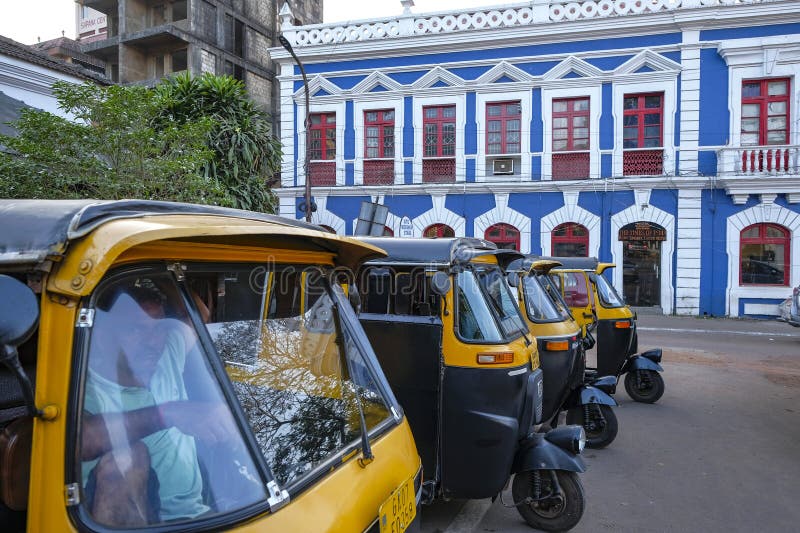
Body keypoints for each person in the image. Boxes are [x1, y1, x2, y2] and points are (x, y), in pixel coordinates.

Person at [80, 280, 236, 526]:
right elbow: (84, 439)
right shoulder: (80, 384)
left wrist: (167, 273)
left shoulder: (168, 351)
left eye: (157, 328)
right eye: (135, 331)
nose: (152, 342)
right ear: (102, 338)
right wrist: (169, 414)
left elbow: (197, 315)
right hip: (138, 523)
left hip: (196, 515)